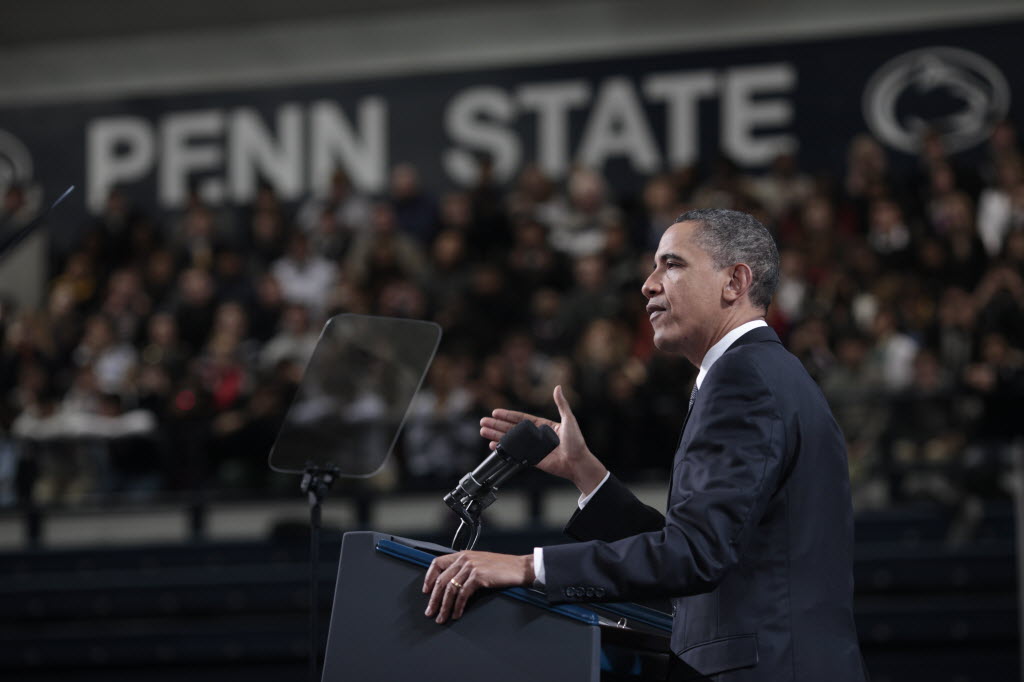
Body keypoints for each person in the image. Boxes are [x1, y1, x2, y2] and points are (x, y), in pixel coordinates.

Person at [422, 208, 867, 681]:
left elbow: (693, 555)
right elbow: (705, 547)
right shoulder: (764, 373)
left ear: (734, 281)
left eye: (671, 265)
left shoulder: (743, 379)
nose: (648, 284)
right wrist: (583, 470)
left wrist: (526, 567)